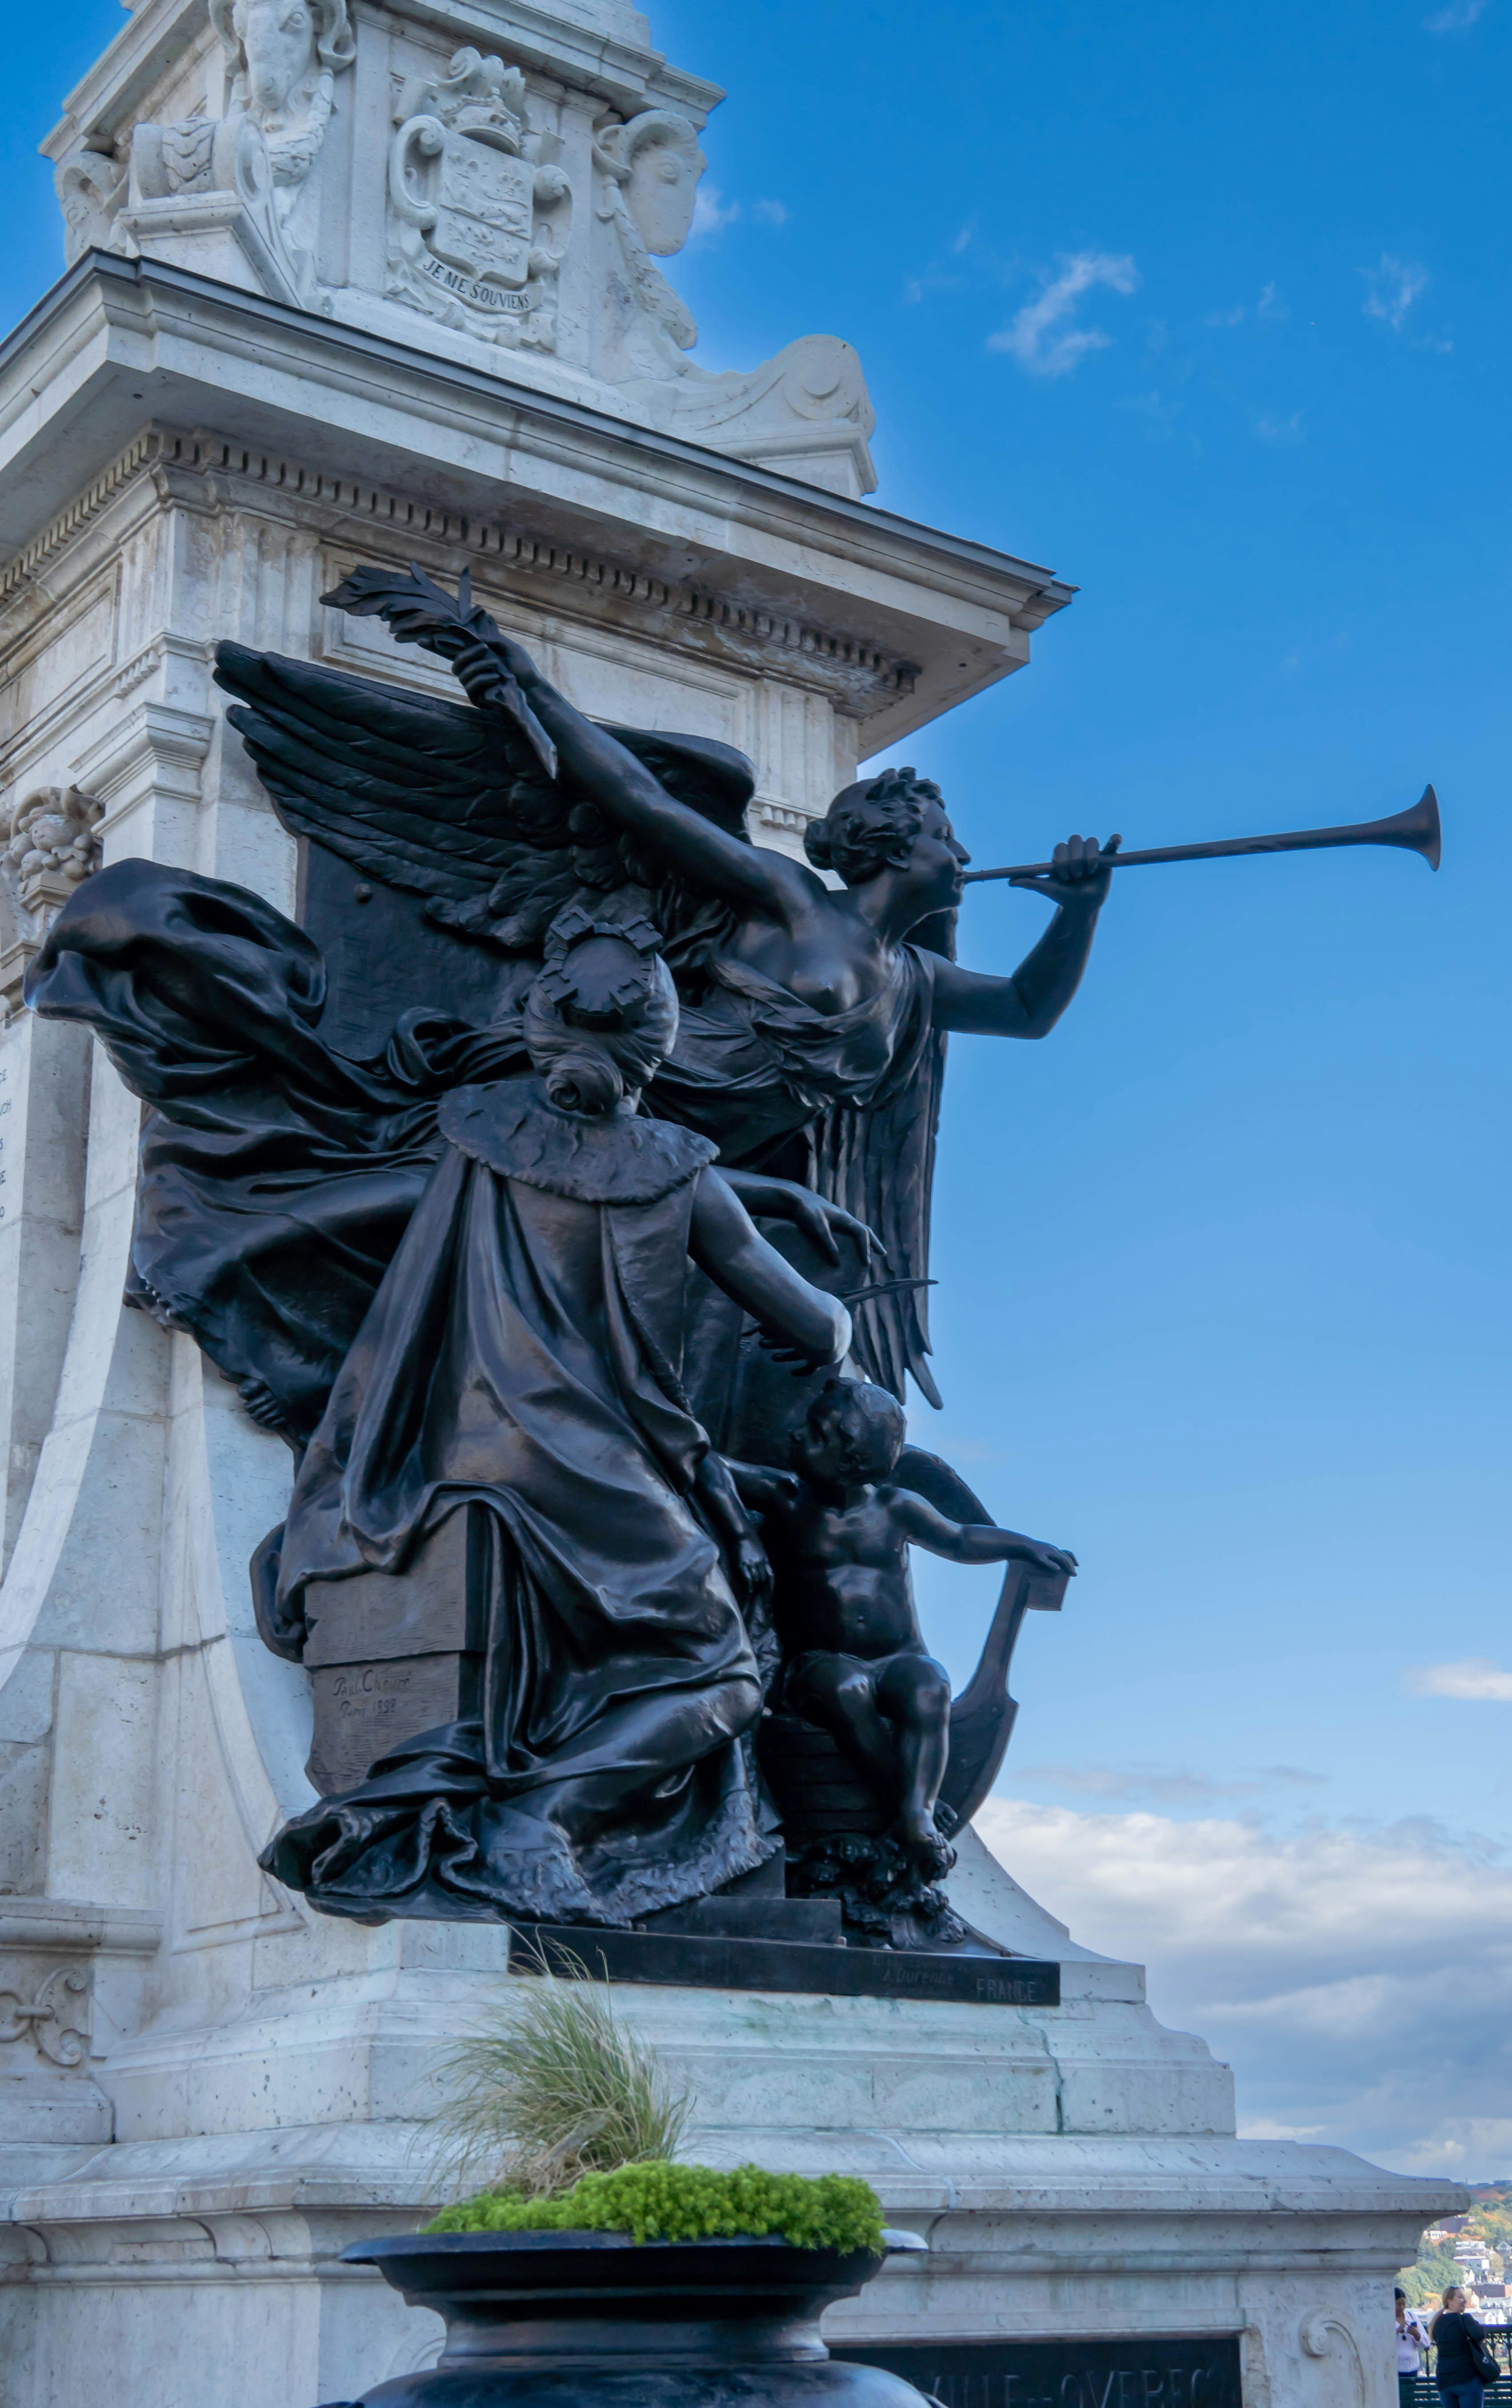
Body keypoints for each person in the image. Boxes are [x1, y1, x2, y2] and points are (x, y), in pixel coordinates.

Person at [243, 908, 851, 1925]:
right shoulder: (676, 1172)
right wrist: (828, 1308)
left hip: (448, 1460)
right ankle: (547, 1816)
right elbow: (809, 1322)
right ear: (658, 1042)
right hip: (588, 1474)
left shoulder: (478, 1140)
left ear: (542, 1020)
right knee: (724, 1672)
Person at [730, 1377, 1076, 1866]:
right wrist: (742, 1536)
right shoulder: (786, 1497)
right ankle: (911, 1808)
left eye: (815, 1432)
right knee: (847, 1690)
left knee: (929, 1686)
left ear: (851, 1458)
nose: (795, 1436)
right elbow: (704, 1463)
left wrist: (1022, 1544)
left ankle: (917, 1812)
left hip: (898, 1656)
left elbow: (959, 1539)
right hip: (820, 1662)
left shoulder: (896, 1507)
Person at [1431, 2285, 1495, 2406]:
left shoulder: (1437, 2323)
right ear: (1450, 2302)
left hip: (1444, 2381)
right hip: (1466, 2378)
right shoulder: (1464, 2319)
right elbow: (1480, 2334)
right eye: (1460, 2297)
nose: (1465, 2301)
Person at [1397, 2288, 1432, 2406]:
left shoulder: (1411, 2316)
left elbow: (1426, 2342)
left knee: (1409, 2400)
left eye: (1404, 2304)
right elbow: (1380, 2342)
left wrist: (1417, 2336)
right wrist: (1397, 2331)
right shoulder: (1384, 2318)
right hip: (1394, 2368)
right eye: (1398, 2304)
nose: (1402, 2307)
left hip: (1411, 2368)